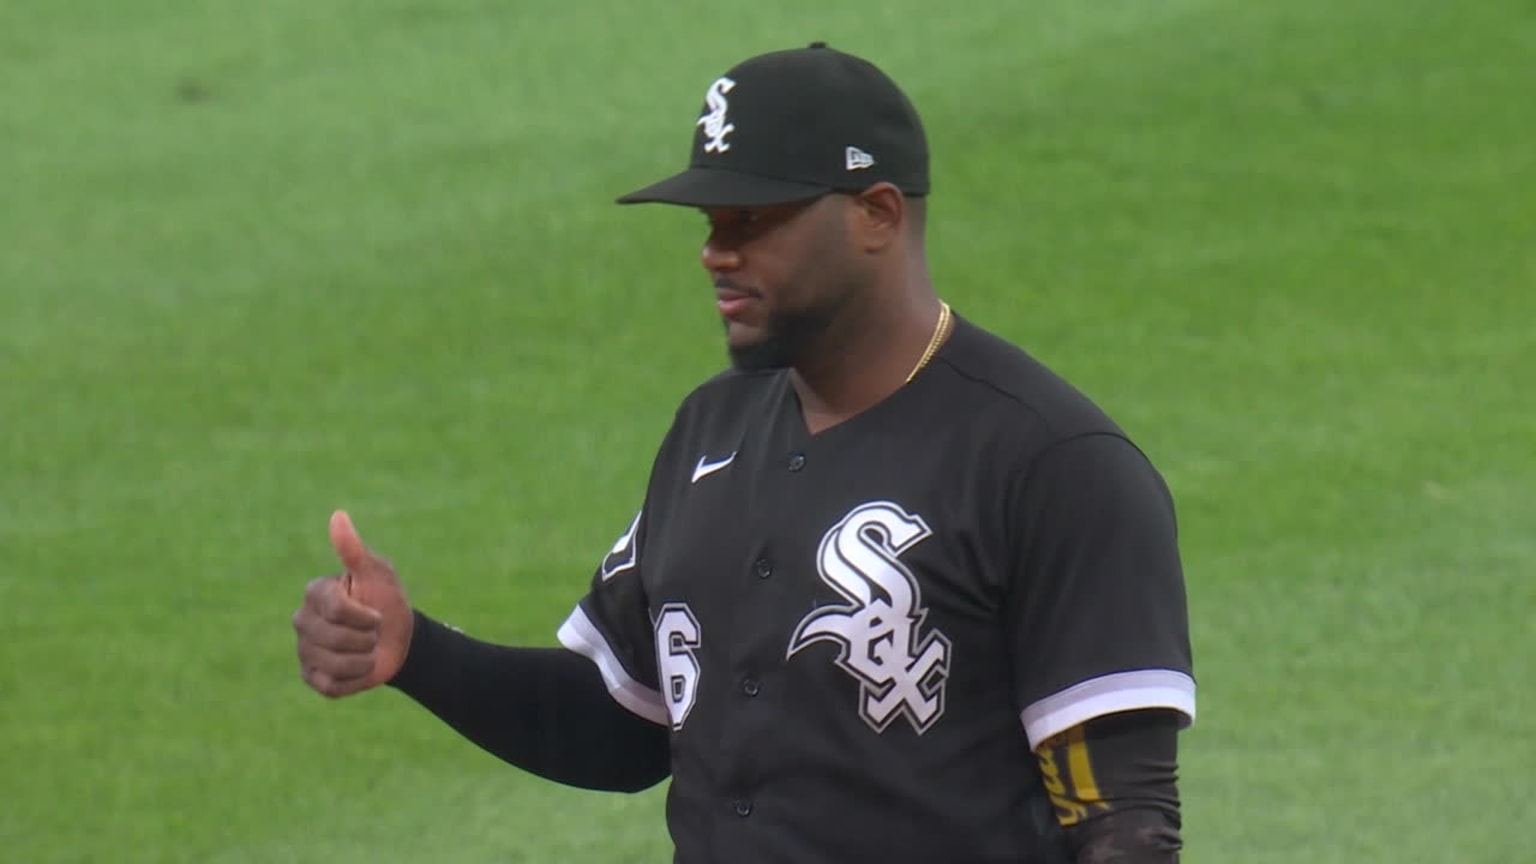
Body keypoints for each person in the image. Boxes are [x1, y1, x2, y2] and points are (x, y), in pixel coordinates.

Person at [292, 42, 1197, 863]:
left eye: (752, 220)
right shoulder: (711, 432)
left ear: (876, 214)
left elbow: (1122, 824)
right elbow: (621, 727)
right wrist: (414, 651)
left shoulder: (1050, 465)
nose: (714, 254)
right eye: (710, 222)